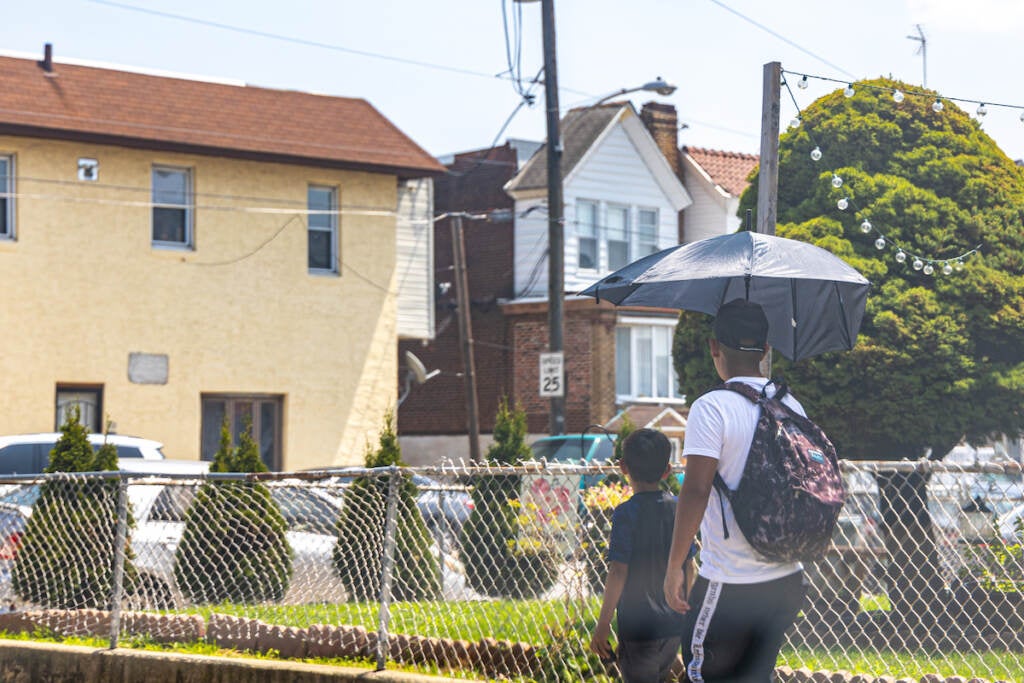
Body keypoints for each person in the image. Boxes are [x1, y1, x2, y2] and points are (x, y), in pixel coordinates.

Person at [663, 299, 807, 683]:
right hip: (788, 579)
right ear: (764, 349)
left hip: (732, 582)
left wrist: (676, 564)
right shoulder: (791, 404)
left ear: (714, 347)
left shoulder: (712, 407)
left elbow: (695, 490)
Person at [590, 428, 692, 683]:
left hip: (637, 629)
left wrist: (603, 624)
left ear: (623, 466)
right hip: (673, 625)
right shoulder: (678, 508)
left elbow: (618, 570)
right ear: (667, 470)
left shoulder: (626, 514)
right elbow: (689, 566)